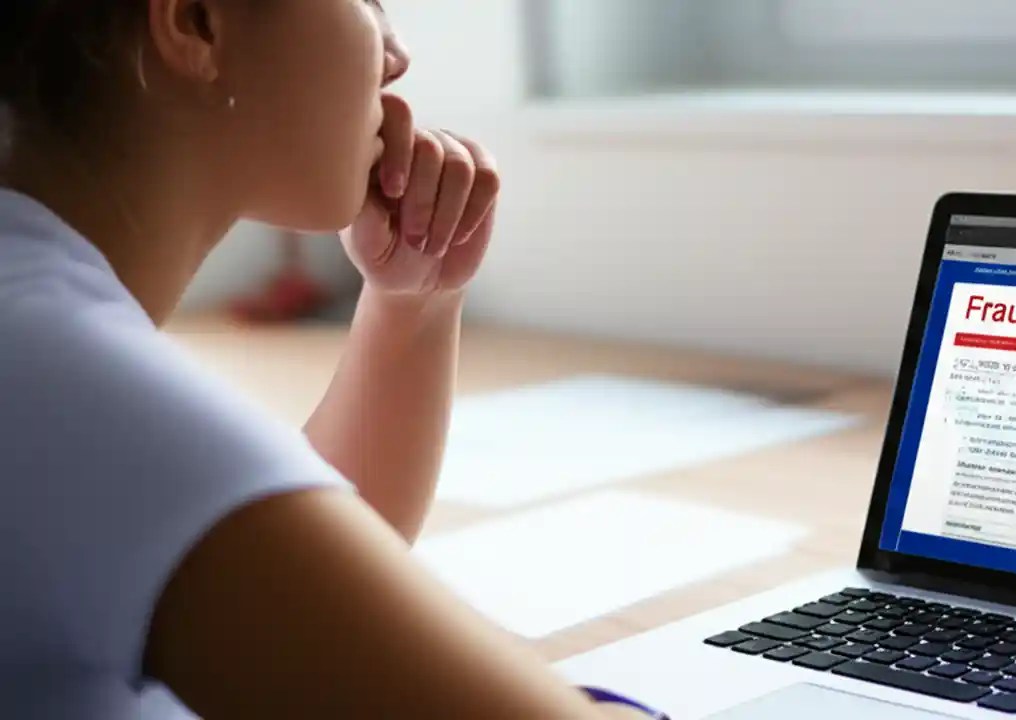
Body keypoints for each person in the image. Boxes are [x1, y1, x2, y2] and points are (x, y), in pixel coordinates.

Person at [0, 1, 664, 718]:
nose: (396, 52)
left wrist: (413, 302)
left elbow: (276, 584)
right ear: (196, 22)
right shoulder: (65, 384)